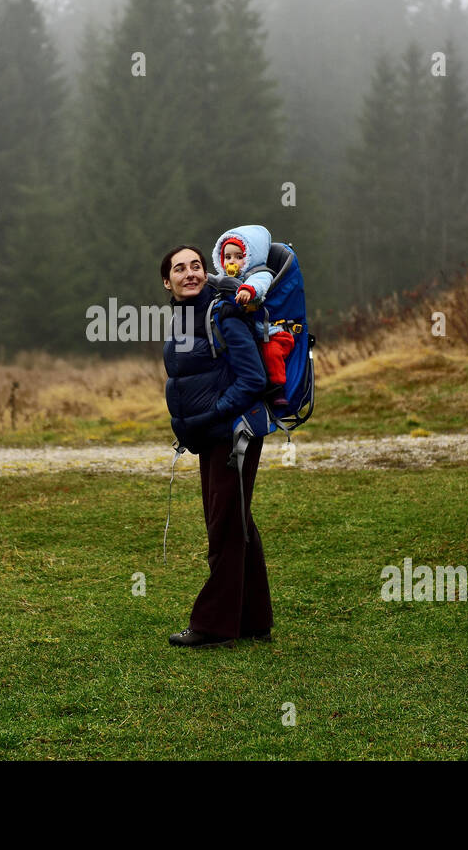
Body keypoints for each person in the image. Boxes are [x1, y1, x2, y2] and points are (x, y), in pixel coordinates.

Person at [160, 244, 274, 649]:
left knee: (224, 524)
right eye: (179, 269)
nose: (190, 273)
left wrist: (212, 417)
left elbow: (252, 379)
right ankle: (254, 618)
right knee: (236, 521)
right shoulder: (183, 317)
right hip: (213, 437)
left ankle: (213, 624)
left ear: (206, 272)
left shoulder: (223, 312)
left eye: (196, 266)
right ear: (167, 281)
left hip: (235, 435)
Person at [211, 225, 295, 407]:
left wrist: (248, 291)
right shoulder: (226, 278)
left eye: (239, 257)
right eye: (227, 257)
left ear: (250, 257)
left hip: (270, 334)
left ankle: (277, 388)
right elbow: (215, 282)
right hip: (249, 334)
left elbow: (260, 285)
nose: (232, 261)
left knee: (271, 353)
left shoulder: (258, 273)